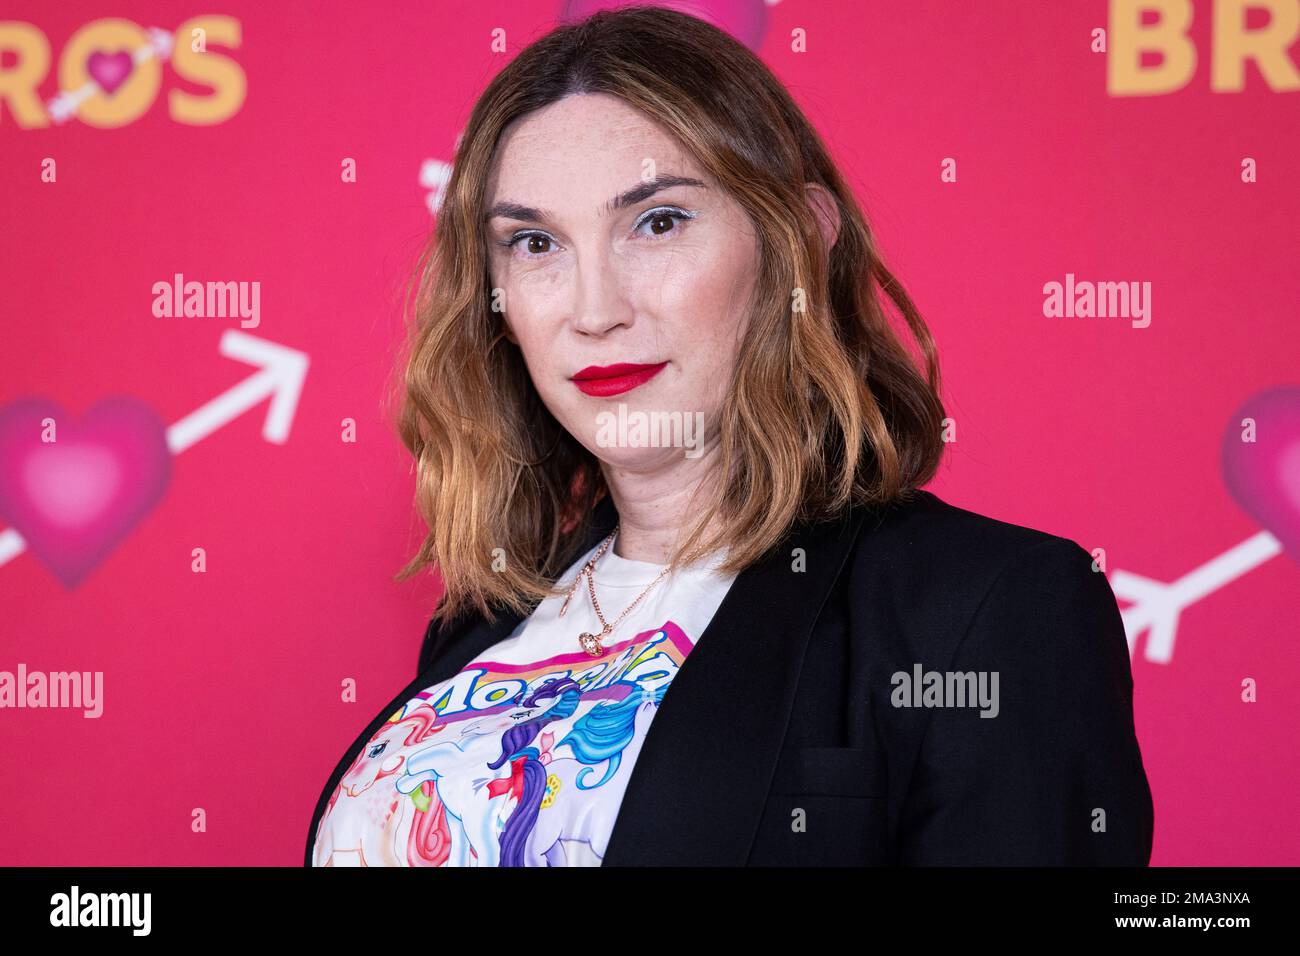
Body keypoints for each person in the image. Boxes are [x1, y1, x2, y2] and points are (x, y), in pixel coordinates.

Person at [305, 5, 1154, 867]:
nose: (595, 310)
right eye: (535, 243)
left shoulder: (992, 609)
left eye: (659, 221)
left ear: (799, 240)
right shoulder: (483, 618)